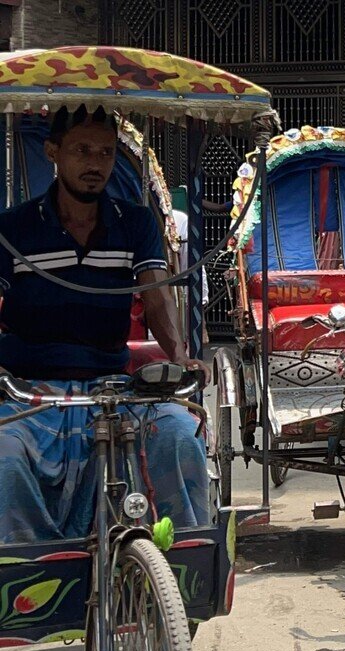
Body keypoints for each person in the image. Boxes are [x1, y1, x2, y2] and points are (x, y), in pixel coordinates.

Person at [0, 106, 209, 544]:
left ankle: (184, 576)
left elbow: (157, 296)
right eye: (82, 150)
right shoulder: (13, 229)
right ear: (53, 151)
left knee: (177, 434)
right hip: (30, 389)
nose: (95, 163)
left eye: (106, 153)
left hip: (112, 385)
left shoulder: (134, 222)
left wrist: (178, 358)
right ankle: (29, 583)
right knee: (5, 455)